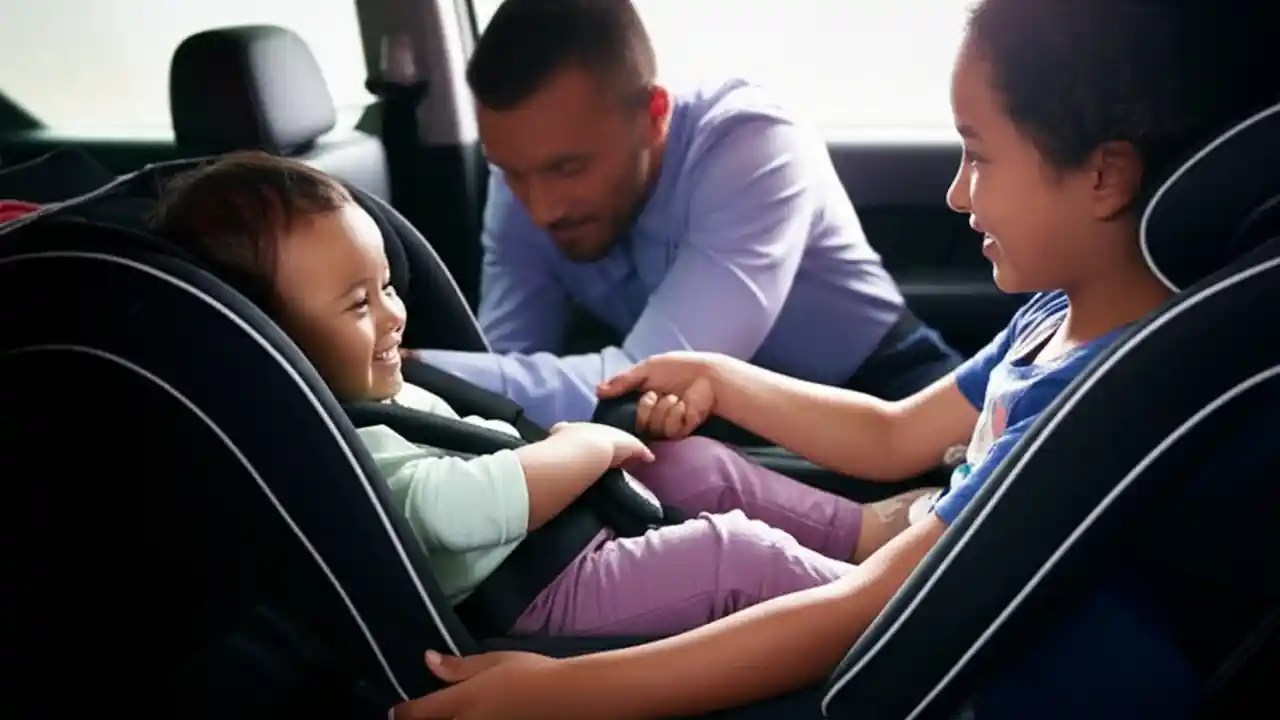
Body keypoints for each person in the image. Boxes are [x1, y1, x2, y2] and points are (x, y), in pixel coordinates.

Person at [395, 0, 1278, 716]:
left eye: (977, 154)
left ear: (1104, 177)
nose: (955, 190)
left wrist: (563, 690)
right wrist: (719, 375)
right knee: (695, 472)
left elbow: (866, 612)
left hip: (975, 679)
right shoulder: (1057, 317)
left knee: (721, 572)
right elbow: (894, 436)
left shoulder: (1100, 394)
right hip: (943, 613)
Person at [150, 151, 928, 639]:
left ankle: (866, 533)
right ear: (270, 340)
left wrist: (583, 457)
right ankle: (887, 615)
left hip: (560, 538)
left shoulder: (384, 391)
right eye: (359, 306)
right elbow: (461, 507)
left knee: (693, 468)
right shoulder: (342, 443)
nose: (394, 315)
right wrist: (583, 448)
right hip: (535, 595)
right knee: (730, 556)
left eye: (387, 286)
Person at [411, 0, 961, 428]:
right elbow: (503, 377)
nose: (539, 207)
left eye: (569, 168)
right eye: (511, 172)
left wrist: (402, 371)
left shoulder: (752, 146)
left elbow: (646, 378)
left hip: (887, 394)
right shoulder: (524, 184)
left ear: (654, 117)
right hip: (713, 432)